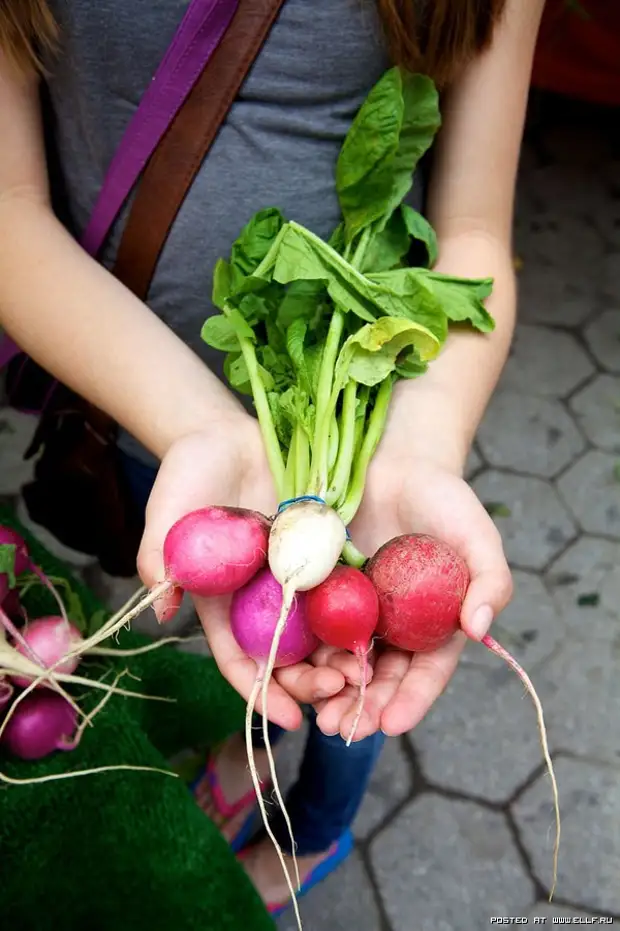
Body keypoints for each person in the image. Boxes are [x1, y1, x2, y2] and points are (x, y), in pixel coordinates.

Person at [0, 0, 545, 914]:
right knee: (238, 633)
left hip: (369, 456)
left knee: (353, 673)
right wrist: (198, 428)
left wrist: (424, 441)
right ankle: (238, 747)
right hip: (148, 420)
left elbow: (475, 234)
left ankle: (320, 827)